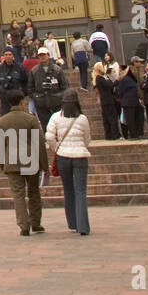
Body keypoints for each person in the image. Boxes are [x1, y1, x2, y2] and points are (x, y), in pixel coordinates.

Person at [0, 90, 48, 235]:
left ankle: (24, 226)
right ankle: (36, 222)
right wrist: (44, 164)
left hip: (12, 161)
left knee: (18, 194)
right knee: (33, 192)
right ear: (22, 102)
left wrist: (2, 163)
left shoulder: (2, 121)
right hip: (31, 160)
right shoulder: (30, 119)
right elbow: (40, 142)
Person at [46, 91, 92, 236]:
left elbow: (49, 136)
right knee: (80, 191)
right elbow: (87, 138)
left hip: (63, 157)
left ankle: (72, 223)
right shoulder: (82, 118)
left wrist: (56, 148)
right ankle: (83, 226)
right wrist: (81, 146)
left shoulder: (56, 117)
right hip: (80, 156)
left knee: (68, 189)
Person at [29, 47, 71, 130]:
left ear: (48, 55)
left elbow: (65, 86)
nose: (42, 57)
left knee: (58, 125)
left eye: (44, 55)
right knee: (46, 126)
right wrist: (36, 97)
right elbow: (30, 87)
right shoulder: (34, 71)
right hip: (41, 103)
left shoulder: (57, 70)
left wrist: (59, 97)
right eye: (40, 55)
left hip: (56, 103)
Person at [0, 48, 30, 117]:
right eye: (6, 55)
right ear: (3, 56)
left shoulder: (20, 68)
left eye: (10, 54)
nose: (8, 56)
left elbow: (26, 81)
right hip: (5, 100)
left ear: (13, 56)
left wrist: (22, 93)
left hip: (18, 101)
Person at [117, 57, 145, 140]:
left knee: (135, 118)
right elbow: (120, 91)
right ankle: (133, 134)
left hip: (133, 101)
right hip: (129, 102)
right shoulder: (126, 80)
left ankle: (135, 133)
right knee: (130, 119)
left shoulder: (131, 79)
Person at [91, 62, 120, 140]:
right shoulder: (99, 78)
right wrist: (116, 80)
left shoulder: (100, 77)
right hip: (107, 100)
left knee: (107, 119)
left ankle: (109, 136)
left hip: (105, 100)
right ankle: (115, 135)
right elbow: (110, 85)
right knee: (111, 118)